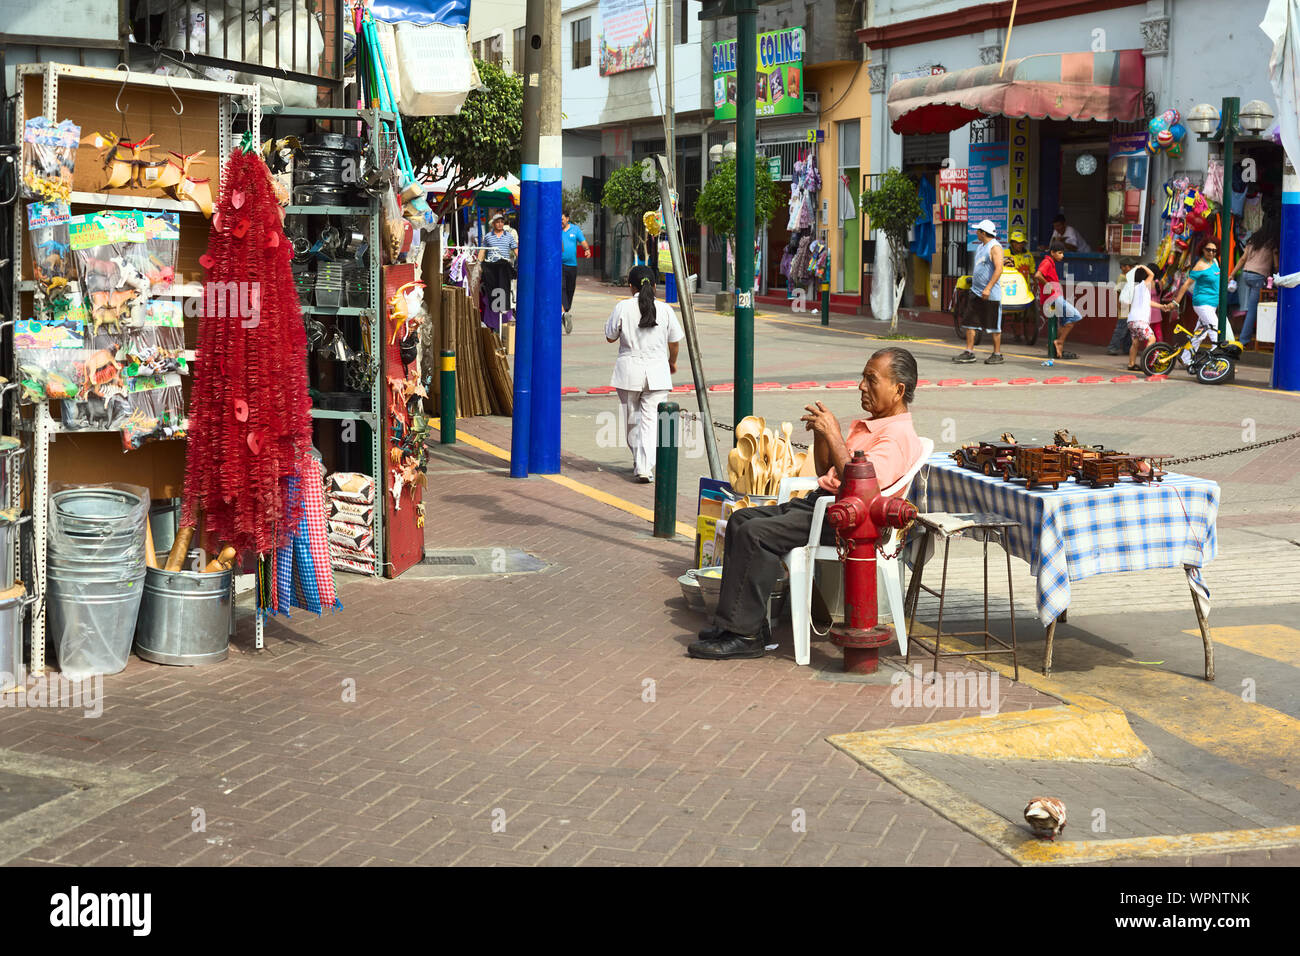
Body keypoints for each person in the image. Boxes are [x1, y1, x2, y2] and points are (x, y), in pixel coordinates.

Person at [689, 348, 923, 661]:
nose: (861, 386)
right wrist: (824, 439)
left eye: (871, 380)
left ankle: (744, 636)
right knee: (741, 520)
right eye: (863, 378)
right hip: (822, 505)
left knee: (755, 534)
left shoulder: (895, 437)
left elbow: (860, 489)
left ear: (898, 390)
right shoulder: (872, 425)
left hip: (845, 520)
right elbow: (827, 469)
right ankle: (744, 624)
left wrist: (835, 434)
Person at [604, 265, 685, 483]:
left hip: (628, 372)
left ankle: (641, 464)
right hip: (658, 372)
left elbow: (610, 337)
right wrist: (672, 362)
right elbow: (674, 342)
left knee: (633, 421)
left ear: (631, 287)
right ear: (655, 286)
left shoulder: (623, 307)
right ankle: (644, 466)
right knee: (651, 423)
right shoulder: (666, 309)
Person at [953, 219, 1004, 364]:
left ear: (983, 233)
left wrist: (988, 288)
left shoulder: (995, 247)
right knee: (970, 322)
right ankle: (969, 352)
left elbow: (999, 269)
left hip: (990, 293)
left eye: (978, 231)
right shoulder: (981, 246)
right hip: (975, 291)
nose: (976, 233)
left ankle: (997, 354)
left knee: (994, 324)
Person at [1170, 238, 1228, 366]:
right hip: (1202, 304)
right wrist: (1176, 302)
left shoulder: (1215, 261)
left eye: (1214, 250)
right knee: (1215, 330)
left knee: (1200, 333)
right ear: (1202, 249)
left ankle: (1185, 359)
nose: (1211, 253)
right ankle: (1220, 362)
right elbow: (1186, 285)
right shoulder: (1199, 266)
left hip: (1213, 304)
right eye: (1208, 250)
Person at [1230, 219, 1279, 345]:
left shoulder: (1253, 240)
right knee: (1252, 310)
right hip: (1258, 277)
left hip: (1246, 274)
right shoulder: (1272, 243)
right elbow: (1276, 265)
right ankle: (1243, 340)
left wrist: (1232, 274)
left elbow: (1242, 259)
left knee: (1249, 306)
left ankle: (1243, 337)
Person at [1036, 241, 1083, 360]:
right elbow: (1037, 275)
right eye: (1060, 253)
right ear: (1052, 253)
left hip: (1055, 297)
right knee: (1076, 316)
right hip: (1052, 297)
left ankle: (1053, 343)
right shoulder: (1047, 262)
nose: (1062, 255)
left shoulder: (1051, 263)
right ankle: (1059, 342)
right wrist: (1048, 286)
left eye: (1063, 253)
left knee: (1065, 322)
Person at [1125, 262, 1173, 371]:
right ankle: (1145, 364)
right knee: (1152, 338)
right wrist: (1142, 267)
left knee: (1135, 343)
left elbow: (1148, 302)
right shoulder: (1142, 285)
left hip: (1132, 321)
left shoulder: (1134, 287)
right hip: (1140, 321)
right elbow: (1151, 274)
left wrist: (1162, 306)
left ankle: (1131, 364)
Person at [477, 213, 518, 332]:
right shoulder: (488, 237)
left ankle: (504, 320)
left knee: (504, 293)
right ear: (493, 223)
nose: (500, 224)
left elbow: (515, 250)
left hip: (504, 269)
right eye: (497, 221)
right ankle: (493, 322)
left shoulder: (509, 236)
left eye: (501, 221)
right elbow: (482, 251)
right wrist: (478, 265)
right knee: (492, 293)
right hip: (491, 269)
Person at [561, 210, 590, 335]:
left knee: (570, 289)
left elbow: (583, 241)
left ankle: (565, 311)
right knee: (561, 287)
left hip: (572, 265)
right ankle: (563, 312)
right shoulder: (555, 229)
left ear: (567, 218)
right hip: (558, 265)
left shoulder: (575, 229)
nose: (560, 221)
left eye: (562, 219)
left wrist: (587, 250)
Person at [1107, 257, 1140, 355]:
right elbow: (1118, 292)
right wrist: (1119, 305)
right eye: (1131, 266)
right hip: (1124, 306)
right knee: (1121, 329)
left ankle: (1127, 348)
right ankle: (1112, 348)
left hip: (1130, 306)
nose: (1133, 268)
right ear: (1124, 267)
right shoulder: (1122, 277)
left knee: (1129, 330)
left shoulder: (1130, 277)